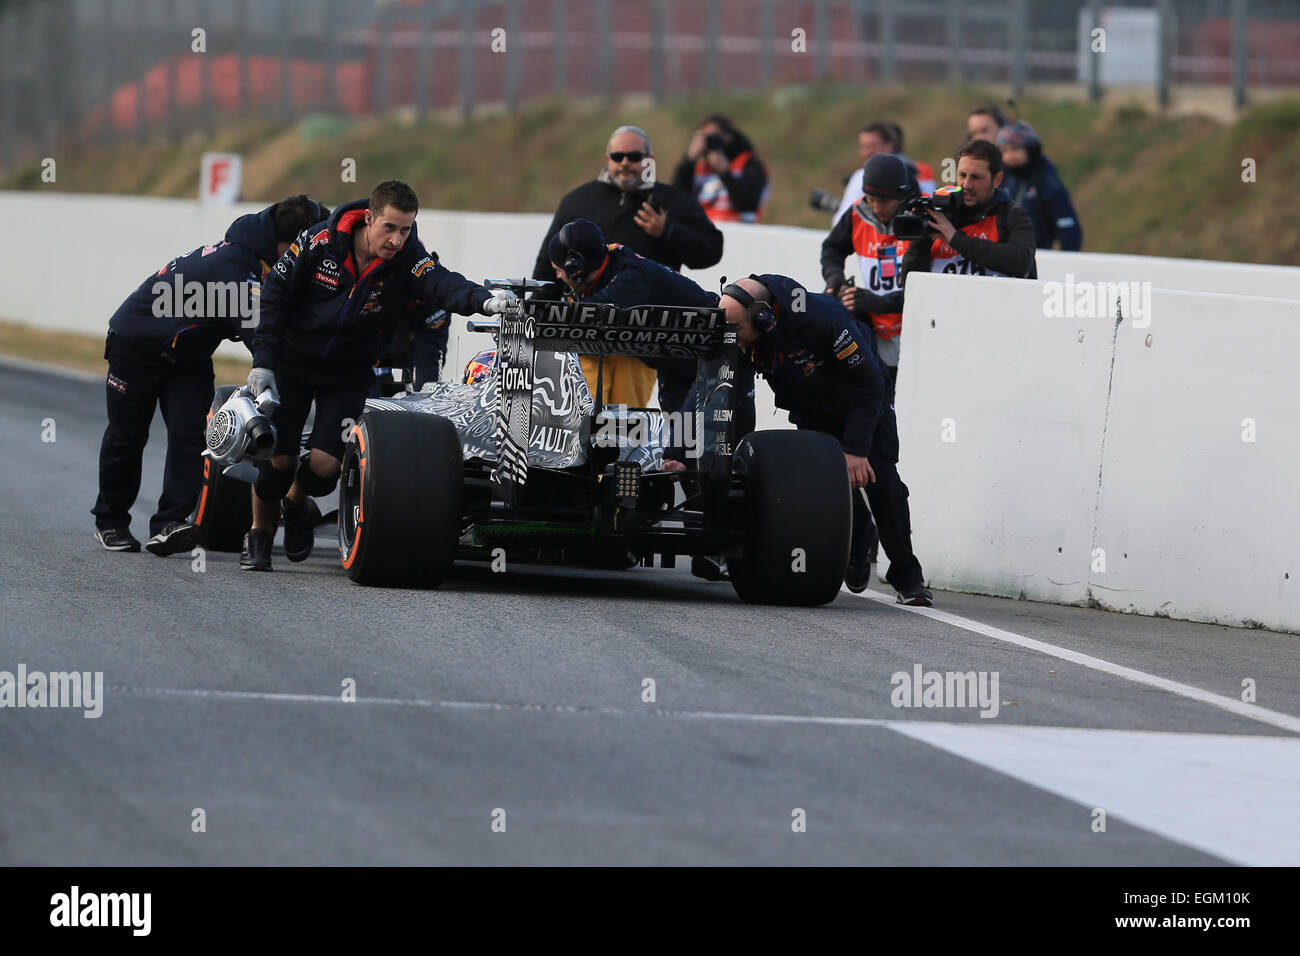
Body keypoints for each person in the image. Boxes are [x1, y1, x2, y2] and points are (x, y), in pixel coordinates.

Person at [242, 180, 520, 572]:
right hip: (292, 363)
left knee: (325, 469)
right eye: (389, 227)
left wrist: (484, 301)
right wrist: (263, 361)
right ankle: (258, 536)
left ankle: (295, 502)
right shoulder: (317, 242)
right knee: (278, 461)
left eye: (406, 229)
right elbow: (274, 297)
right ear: (369, 218)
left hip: (349, 372)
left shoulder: (409, 258)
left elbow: (442, 282)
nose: (396, 239)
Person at [92, 195, 328, 555]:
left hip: (187, 355)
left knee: (190, 434)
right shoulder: (238, 267)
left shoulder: (258, 256)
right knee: (127, 436)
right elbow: (260, 335)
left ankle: (168, 522)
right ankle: (110, 521)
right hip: (136, 344)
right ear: (292, 242)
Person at [720, 275, 931, 605]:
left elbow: (869, 383)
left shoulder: (823, 319)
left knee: (883, 484)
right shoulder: (746, 332)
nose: (734, 340)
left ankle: (908, 577)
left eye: (738, 331)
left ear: (763, 317)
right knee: (832, 489)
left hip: (863, 402)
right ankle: (858, 542)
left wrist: (856, 450)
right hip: (811, 410)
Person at [532, 125, 723, 407]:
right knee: (579, 415)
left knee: (624, 427)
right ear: (607, 158)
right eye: (618, 156)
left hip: (642, 341)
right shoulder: (578, 200)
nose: (625, 164)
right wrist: (538, 322)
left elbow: (712, 248)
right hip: (586, 334)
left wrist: (668, 231)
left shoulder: (671, 201)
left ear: (649, 160)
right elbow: (547, 268)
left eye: (633, 156)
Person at [545, 218, 756, 464]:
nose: (558, 277)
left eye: (559, 269)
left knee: (712, 459)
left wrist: (526, 311)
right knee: (682, 460)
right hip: (680, 366)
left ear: (576, 266)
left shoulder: (629, 281)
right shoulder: (614, 258)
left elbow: (577, 320)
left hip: (718, 360)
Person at [821, 153, 918, 380]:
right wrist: (834, 277)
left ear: (900, 195)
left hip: (916, 329)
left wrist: (882, 303)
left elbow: (929, 286)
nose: (875, 207)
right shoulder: (858, 213)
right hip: (878, 330)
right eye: (870, 199)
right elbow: (832, 248)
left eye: (883, 201)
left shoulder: (919, 218)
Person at [900, 139, 1038, 282]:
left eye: (976, 177)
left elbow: (1021, 262)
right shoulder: (939, 212)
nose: (966, 184)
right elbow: (910, 282)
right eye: (962, 175)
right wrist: (921, 239)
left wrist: (955, 239)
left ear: (997, 180)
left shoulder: (1013, 216)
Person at [996, 120, 1082, 251]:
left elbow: (1069, 231)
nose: (1009, 156)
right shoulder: (1001, 178)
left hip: (1037, 257)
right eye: (1004, 151)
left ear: (1031, 149)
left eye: (1015, 149)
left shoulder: (1047, 182)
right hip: (999, 256)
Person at [672, 114, 770, 223]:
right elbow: (678, 201)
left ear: (728, 136)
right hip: (705, 233)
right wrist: (689, 160)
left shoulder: (749, 164)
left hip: (741, 233)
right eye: (705, 138)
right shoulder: (700, 169)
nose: (710, 143)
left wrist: (725, 172)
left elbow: (748, 204)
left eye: (714, 137)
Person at [833, 122, 935, 223]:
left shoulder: (862, 175)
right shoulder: (921, 170)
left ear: (889, 145)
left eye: (872, 146)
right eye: (863, 147)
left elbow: (841, 220)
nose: (866, 152)